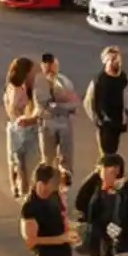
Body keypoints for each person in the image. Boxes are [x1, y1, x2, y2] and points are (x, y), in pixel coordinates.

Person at [35, 52, 79, 185]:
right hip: (47, 124)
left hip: (64, 123)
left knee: (66, 156)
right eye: (46, 65)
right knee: (48, 157)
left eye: (52, 64)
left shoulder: (65, 81)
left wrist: (59, 103)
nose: (50, 68)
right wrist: (62, 102)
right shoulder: (39, 82)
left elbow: (74, 103)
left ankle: (64, 183)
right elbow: (44, 104)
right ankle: (49, 183)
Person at [83, 46, 128, 156]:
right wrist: (98, 120)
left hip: (118, 123)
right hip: (105, 125)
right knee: (106, 155)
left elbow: (126, 98)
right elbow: (88, 102)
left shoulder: (123, 78)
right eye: (113, 59)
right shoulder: (99, 81)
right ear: (106, 61)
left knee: (113, 151)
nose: (116, 62)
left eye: (118, 59)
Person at [5, 56, 40, 199]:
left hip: (15, 126)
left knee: (16, 161)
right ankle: (22, 189)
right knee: (21, 162)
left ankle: (18, 188)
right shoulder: (21, 89)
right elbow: (18, 109)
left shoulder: (11, 87)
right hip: (24, 129)